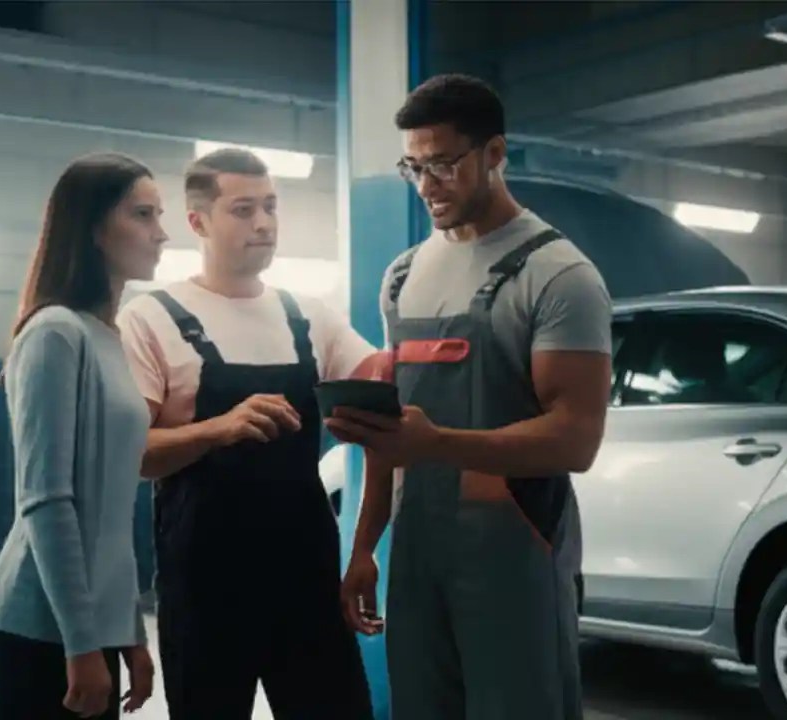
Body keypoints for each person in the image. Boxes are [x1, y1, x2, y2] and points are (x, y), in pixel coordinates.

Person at [327, 73, 613, 720]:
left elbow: (576, 440)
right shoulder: (402, 276)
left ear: (494, 154)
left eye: (443, 164)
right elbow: (391, 432)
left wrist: (437, 443)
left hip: (516, 553)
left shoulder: (559, 275)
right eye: (413, 167)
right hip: (419, 554)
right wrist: (366, 544)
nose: (427, 185)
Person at [117, 148, 378, 720]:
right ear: (198, 222)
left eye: (270, 207)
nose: (263, 223)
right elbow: (129, 457)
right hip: (205, 585)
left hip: (306, 581)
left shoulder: (310, 316)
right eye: (243, 210)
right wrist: (219, 428)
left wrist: (362, 546)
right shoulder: (150, 318)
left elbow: (383, 414)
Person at [0, 153, 166, 720]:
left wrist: (129, 631)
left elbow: (111, 516)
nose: (160, 233)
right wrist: (82, 644)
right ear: (93, 229)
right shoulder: (55, 333)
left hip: (89, 631)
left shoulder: (109, 337)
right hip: (40, 630)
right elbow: (46, 500)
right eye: (142, 215)